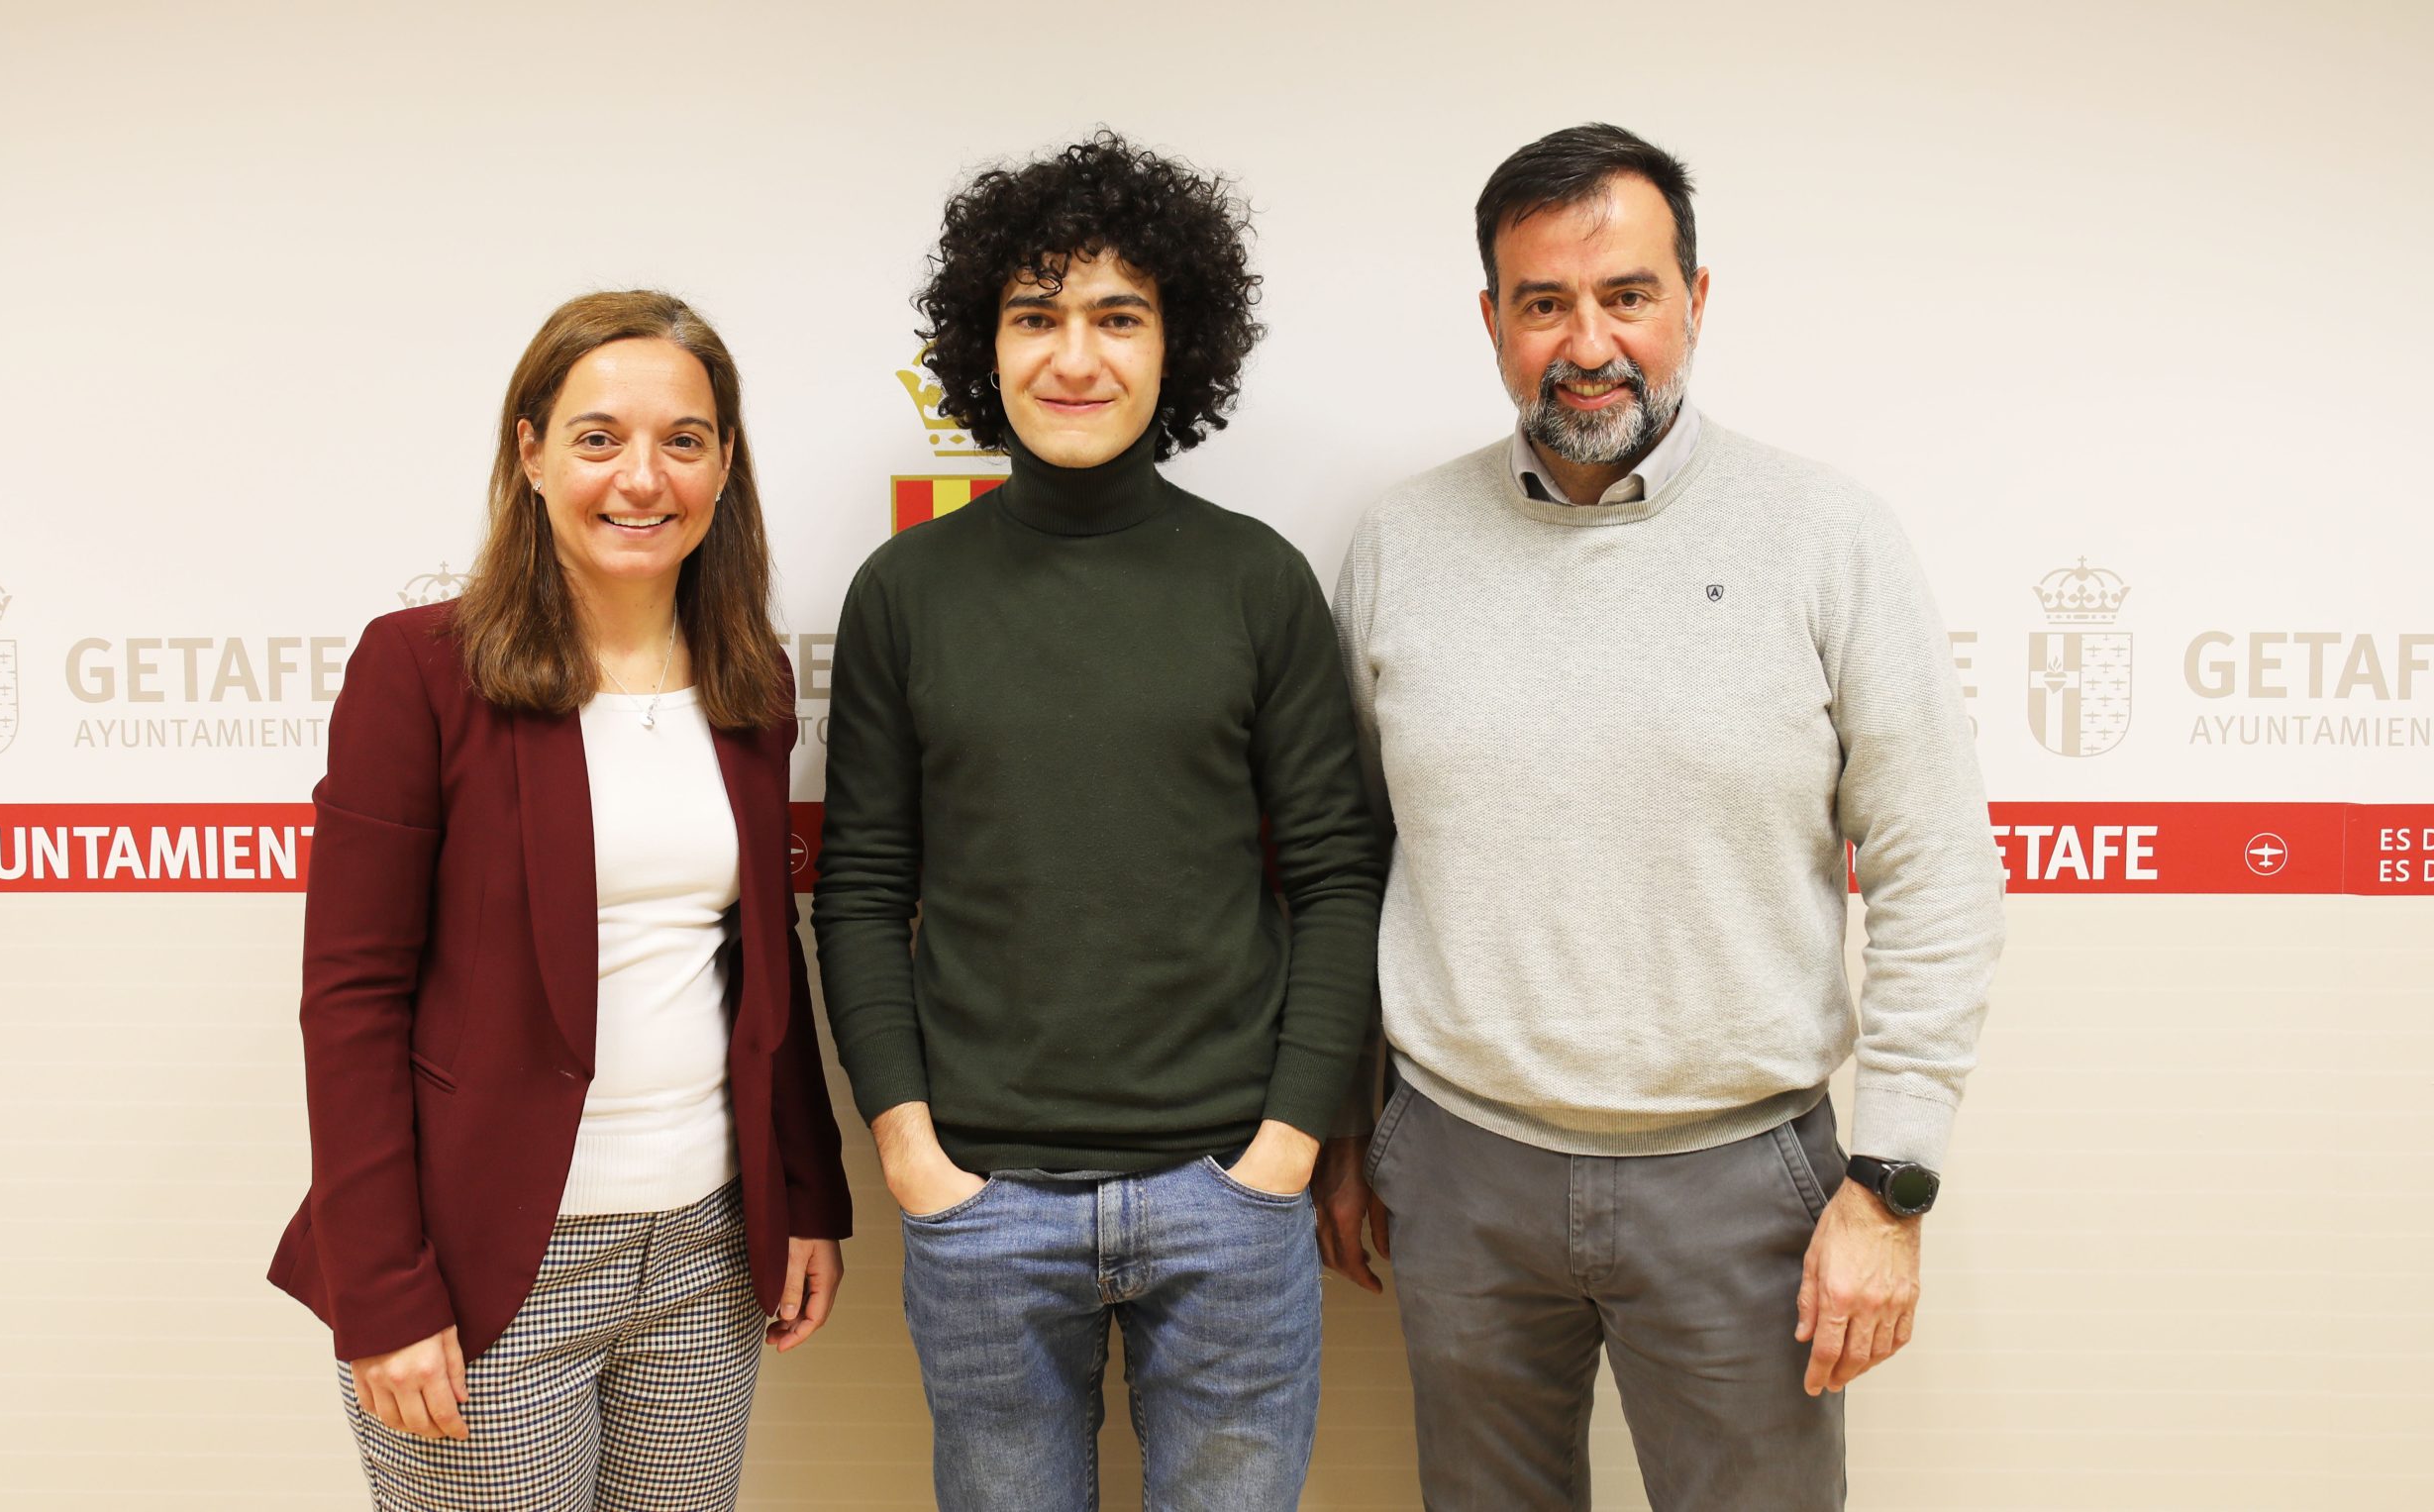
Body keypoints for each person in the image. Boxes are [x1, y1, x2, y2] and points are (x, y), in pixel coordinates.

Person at [1311, 124, 2007, 1510]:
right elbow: (1352, 858)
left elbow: (1939, 867)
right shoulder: (1399, 543)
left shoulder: (1827, 536)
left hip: (1745, 1183)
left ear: (1696, 297)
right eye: (1544, 302)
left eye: (1627, 294)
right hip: (1458, 1169)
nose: (1589, 342)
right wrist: (1348, 1123)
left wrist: (1893, 1181)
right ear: (1492, 318)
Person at [814, 134, 1383, 1510]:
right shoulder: (905, 592)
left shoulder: (1257, 581)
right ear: (984, 345)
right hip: (983, 1200)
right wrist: (908, 1146)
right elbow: (860, 887)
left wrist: (1289, 1146)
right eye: (1037, 316)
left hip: (1227, 1193)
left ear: (1173, 344)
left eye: (1117, 316)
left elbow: (1336, 871)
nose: (1076, 355)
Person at [268, 290, 854, 1510]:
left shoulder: (747, 681)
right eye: (597, 438)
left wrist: (805, 1194)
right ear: (529, 452)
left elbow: (763, 964)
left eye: (682, 441)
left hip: (702, 1248)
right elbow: (353, 997)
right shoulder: (418, 670)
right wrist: (383, 1292)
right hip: (487, 1264)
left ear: (724, 462)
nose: (641, 478)